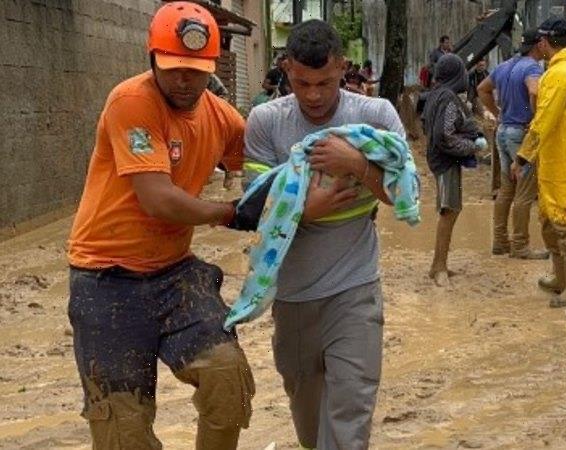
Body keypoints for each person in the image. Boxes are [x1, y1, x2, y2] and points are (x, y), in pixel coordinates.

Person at [66, 3, 255, 449]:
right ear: (152, 58)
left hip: (174, 274)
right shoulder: (132, 102)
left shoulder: (223, 118)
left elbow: (266, 169)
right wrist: (226, 212)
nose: (183, 80)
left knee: (228, 380)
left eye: (195, 70)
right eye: (172, 69)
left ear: (211, 67)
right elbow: (157, 200)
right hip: (105, 280)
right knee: (121, 431)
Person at [243, 19, 406, 449]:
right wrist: (303, 211)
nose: (314, 95)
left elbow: (401, 193)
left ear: (343, 69)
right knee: (310, 423)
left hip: (355, 291)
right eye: (302, 83)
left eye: (325, 83)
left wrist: (357, 164)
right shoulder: (265, 121)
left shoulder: (375, 116)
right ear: (286, 69)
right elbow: (252, 206)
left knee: (349, 419)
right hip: (292, 298)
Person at [512, 18, 566, 308]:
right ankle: (561, 277)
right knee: (550, 219)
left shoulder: (560, 74)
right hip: (562, 158)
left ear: (543, 42)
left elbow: (544, 119)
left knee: (564, 222)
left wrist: (524, 155)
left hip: (564, 160)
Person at [477, 28, 549, 260]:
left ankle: (499, 241)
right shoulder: (532, 68)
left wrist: (497, 113)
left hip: (503, 131)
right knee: (525, 191)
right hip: (521, 133)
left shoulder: (504, 66)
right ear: (539, 45)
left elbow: (482, 89)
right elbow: (535, 91)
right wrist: (536, 119)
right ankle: (520, 245)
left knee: (506, 189)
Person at [422, 54, 485, 287]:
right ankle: (438, 266)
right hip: (445, 160)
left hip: (439, 159)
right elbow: (445, 135)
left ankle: (440, 264)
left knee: (450, 209)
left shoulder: (435, 94)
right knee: (449, 211)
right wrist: (471, 146)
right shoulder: (447, 98)